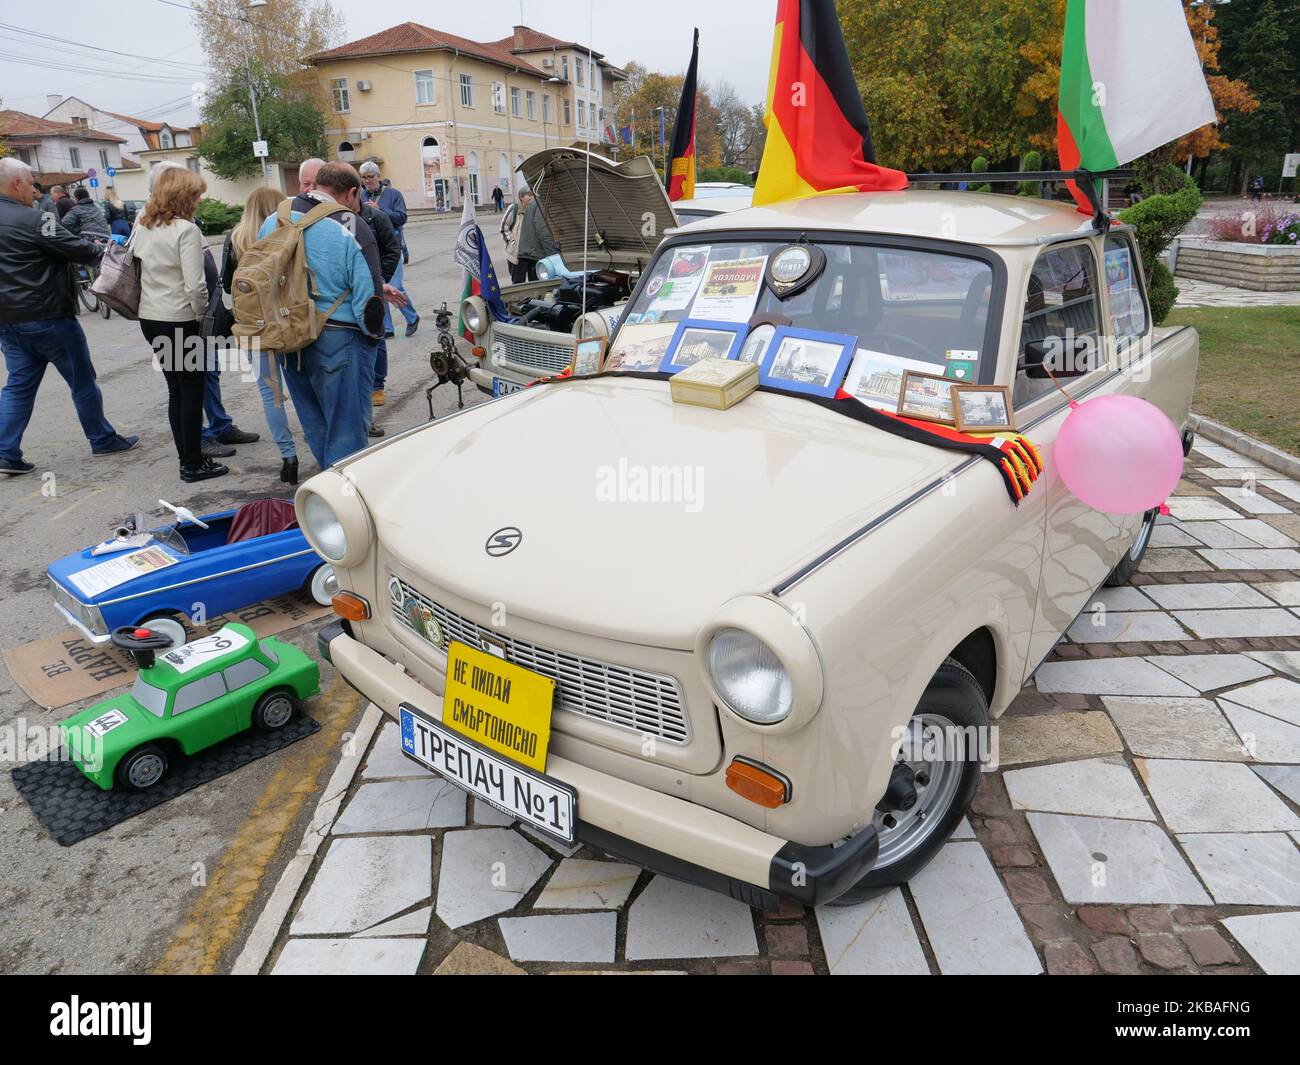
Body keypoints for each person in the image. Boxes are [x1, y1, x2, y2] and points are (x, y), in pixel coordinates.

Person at [256, 161, 398, 468]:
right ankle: (345, 501)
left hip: (289, 337)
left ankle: (326, 488)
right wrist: (373, 342)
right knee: (347, 432)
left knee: (316, 425)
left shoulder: (275, 218)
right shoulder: (350, 223)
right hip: (340, 339)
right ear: (350, 193)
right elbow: (368, 302)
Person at [0, 158, 137, 474]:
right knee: (82, 380)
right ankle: (101, 439)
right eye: (31, 183)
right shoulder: (39, 220)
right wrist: (102, 246)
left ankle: (6, 452)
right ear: (17, 183)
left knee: (18, 386)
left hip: (9, 321)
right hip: (49, 317)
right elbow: (79, 249)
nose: (35, 191)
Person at [134, 166, 226, 483]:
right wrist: (204, 320)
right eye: (197, 194)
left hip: (151, 317)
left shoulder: (144, 224)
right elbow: (196, 287)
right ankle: (192, 462)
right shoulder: (186, 230)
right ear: (183, 196)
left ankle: (188, 458)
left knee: (176, 391)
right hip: (179, 320)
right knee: (191, 392)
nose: (200, 200)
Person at [225, 186, 305, 485]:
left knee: (270, 395)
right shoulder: (287, 232)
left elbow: (225, 285)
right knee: (302, 389)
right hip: (288, 321)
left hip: (253, 326)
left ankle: (289, 457)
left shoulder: (236, 238)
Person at [358, 161, 419, 336]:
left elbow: (401, 217)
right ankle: (388, 327)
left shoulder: (393, 194)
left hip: (392, 247)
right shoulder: (360, 196)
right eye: (364, 177)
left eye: (371, 176)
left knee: (395, 285)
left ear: (378, 176)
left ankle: (412, 318)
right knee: (379, 285)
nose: (368, 180)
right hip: (371, 249)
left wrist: (380, 210)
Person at [357, 191, 400, 432]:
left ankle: (377, 385)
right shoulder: (338, 218)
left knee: (376, 335)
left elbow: (392, 250)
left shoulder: (376, 217)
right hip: (351, 290)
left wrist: (378, 278)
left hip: (374, 288)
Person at [517, 188, 558, 281]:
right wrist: (553, 256)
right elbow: (543, 232)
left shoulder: (535, 202)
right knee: (541, 289)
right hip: (537, 255)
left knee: (535, 287)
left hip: (531, 253)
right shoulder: (541, 203)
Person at [501, 191, 526, 284]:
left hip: (531, 253)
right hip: (516, 254)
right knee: (518, 283)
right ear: (521, 197)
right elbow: (503, 227)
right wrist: (512, 242)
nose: (532, 198)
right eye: (529, 195)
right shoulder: (514, 209)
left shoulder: (534, 209)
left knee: (535, 283)